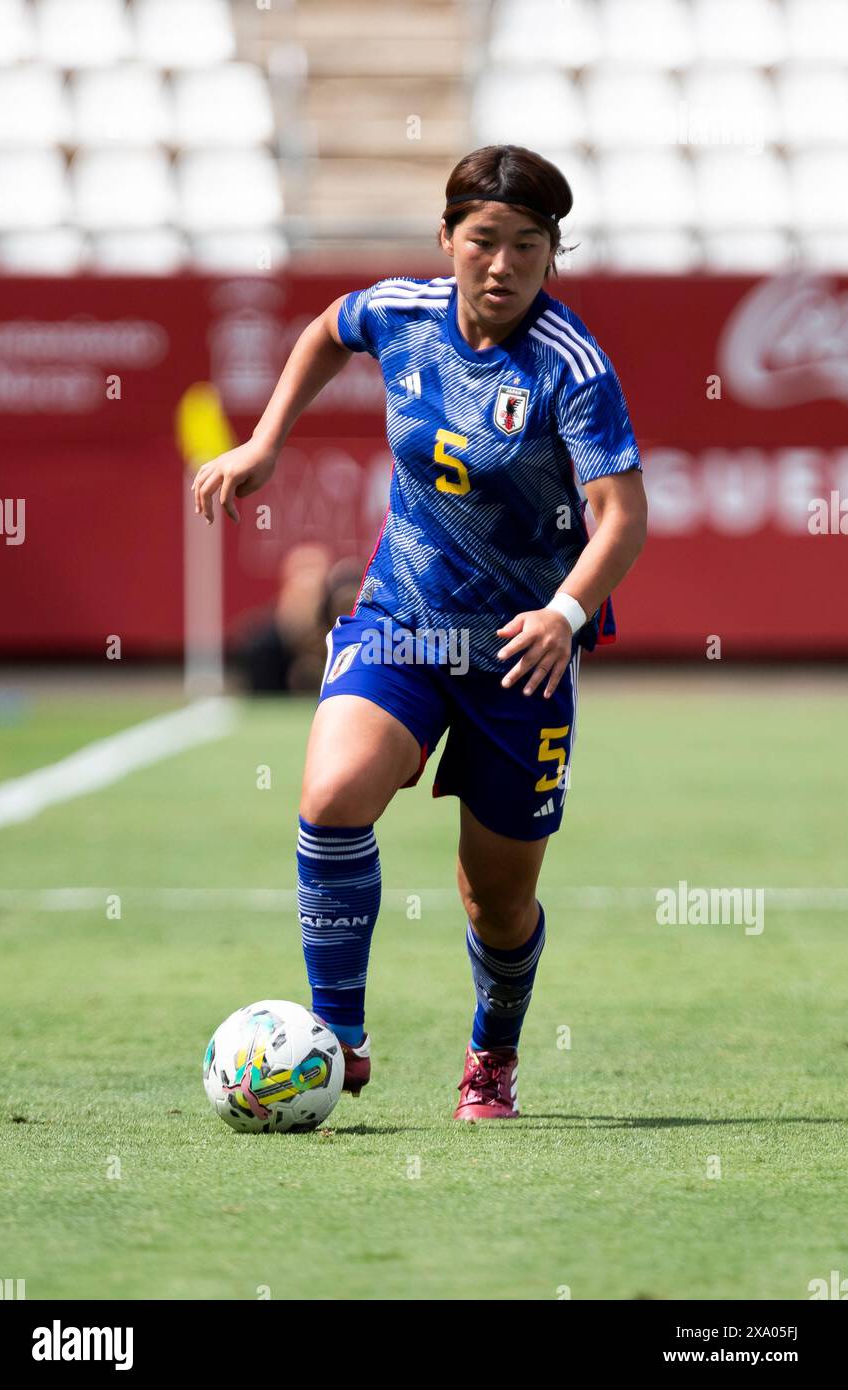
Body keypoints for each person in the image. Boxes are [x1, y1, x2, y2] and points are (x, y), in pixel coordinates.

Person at [192, 144, 647, 1121]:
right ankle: (337, 1038)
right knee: (331, 796)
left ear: (552, 253)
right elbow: (327, 329)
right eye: (482, 239)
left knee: (496, 901)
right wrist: (266, 440)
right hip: (401, 621)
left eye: (527, 244)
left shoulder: (571, 367)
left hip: (519, 657)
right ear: (446, 238)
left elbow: (621, 517)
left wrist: (564, 615)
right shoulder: (400, 311)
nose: (502, 264)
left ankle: (492, 1053)